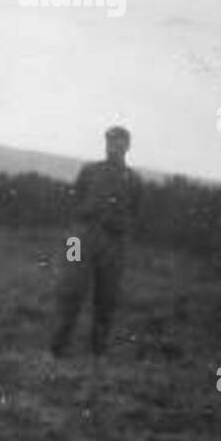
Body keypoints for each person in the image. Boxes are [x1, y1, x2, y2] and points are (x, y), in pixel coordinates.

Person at [50, 125, 142, 358]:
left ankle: (98, 351)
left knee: (107, 296)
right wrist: (80, 224)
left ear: (128, 146)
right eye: (111, 141)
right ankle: (58, 348)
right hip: (80, 238)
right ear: (106, 144)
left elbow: (135, 211)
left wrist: (119, 227)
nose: (115, 146)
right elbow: (74, 198)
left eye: (120, 142)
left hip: (114, 241)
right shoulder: (90, 170)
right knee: (70, 289)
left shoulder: (133, 179)